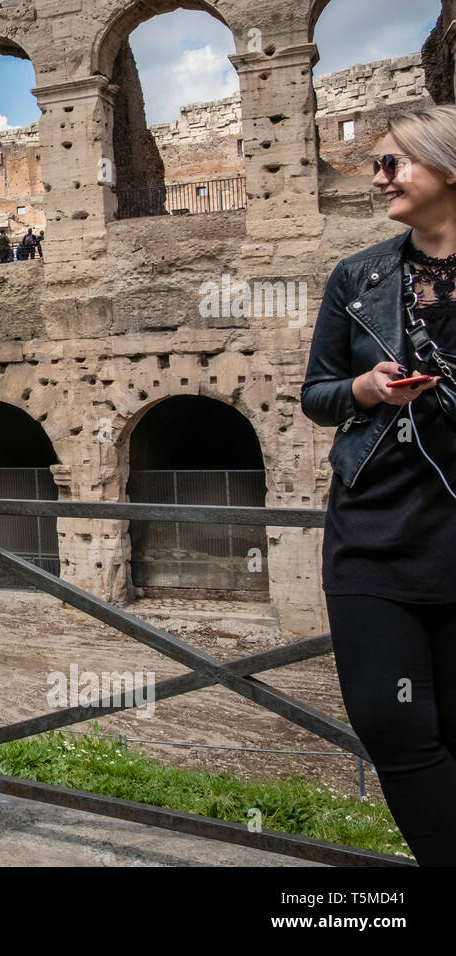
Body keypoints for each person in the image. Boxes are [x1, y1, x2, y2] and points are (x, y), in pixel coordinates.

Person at [301, 104, 456, 865]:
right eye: (376, 165)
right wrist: (364, 388)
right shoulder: (357, 276)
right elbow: (316, 395)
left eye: (394, 163)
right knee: (393, 727)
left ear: (448, 169)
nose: (379, 177)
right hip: (374, 528)